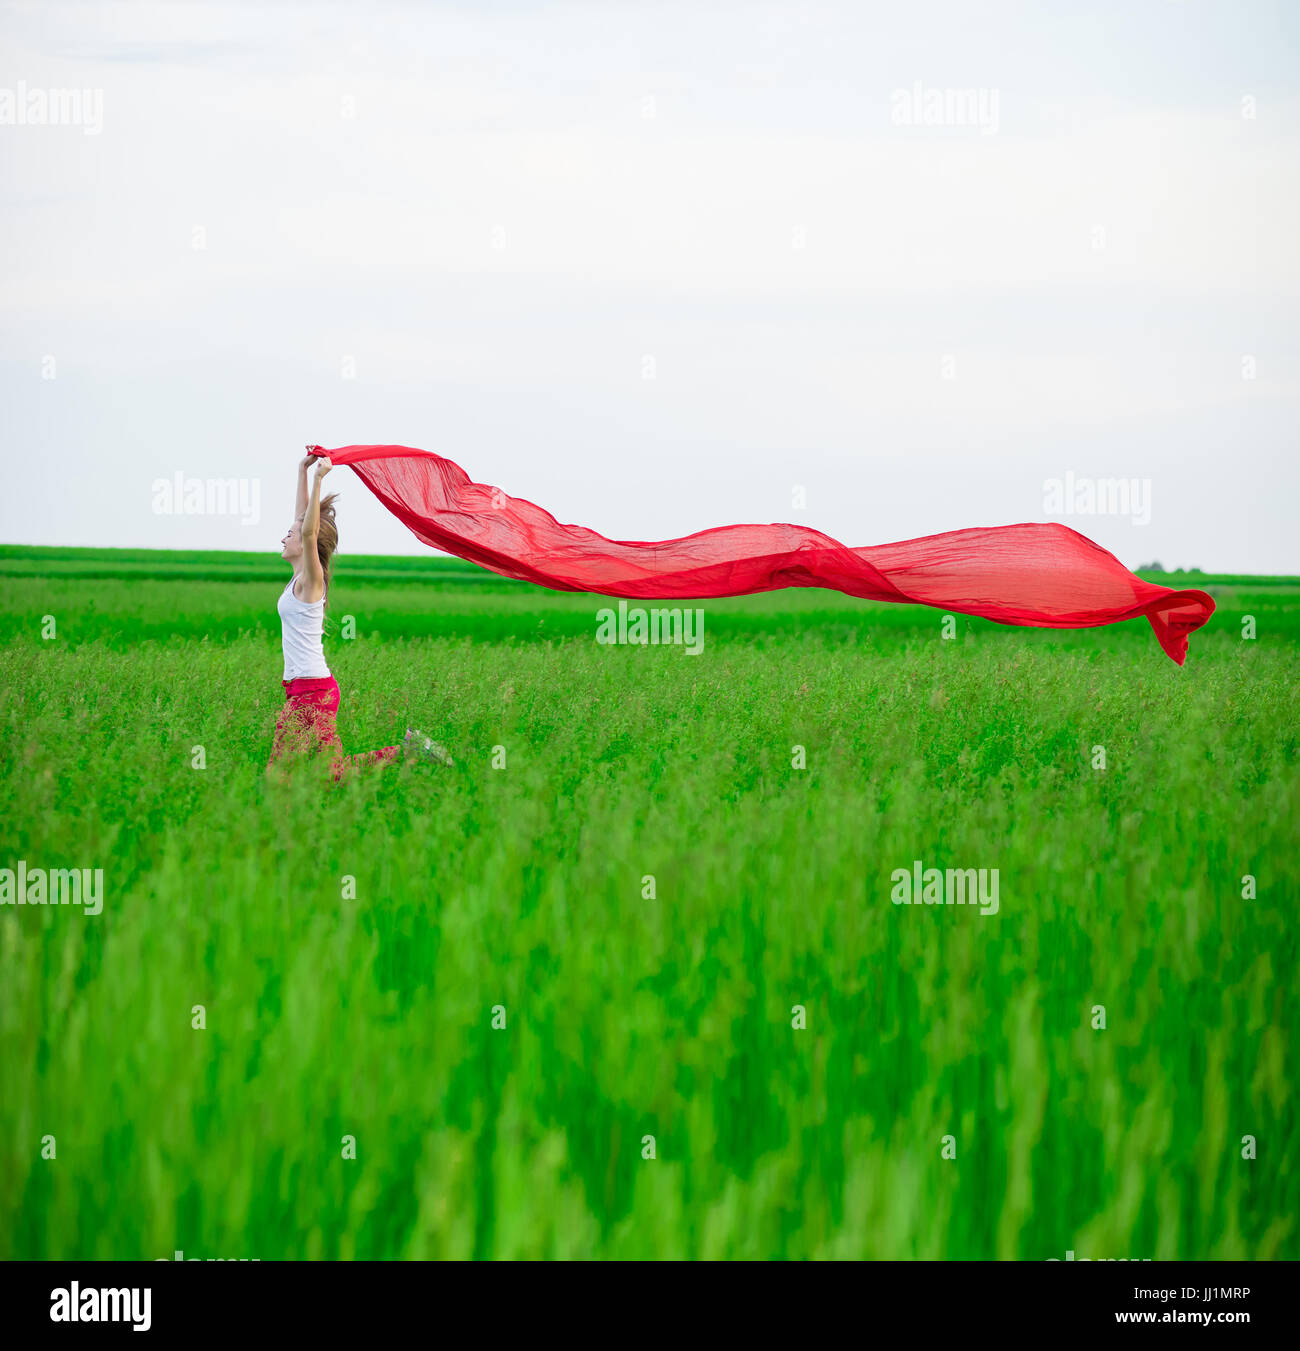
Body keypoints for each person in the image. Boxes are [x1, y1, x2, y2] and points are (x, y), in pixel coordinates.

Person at [267, 450, 453, 781]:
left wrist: (320, 477)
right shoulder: (299, 574)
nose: (283, 537)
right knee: (332, 774)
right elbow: (302, 523)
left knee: (278, 779)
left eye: (289, 535)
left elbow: (307, 532)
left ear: (305, 544)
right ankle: (408, 750)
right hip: (307, 690)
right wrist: (301, 470)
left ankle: (407, 751)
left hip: (311, 692)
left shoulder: (312, 581)